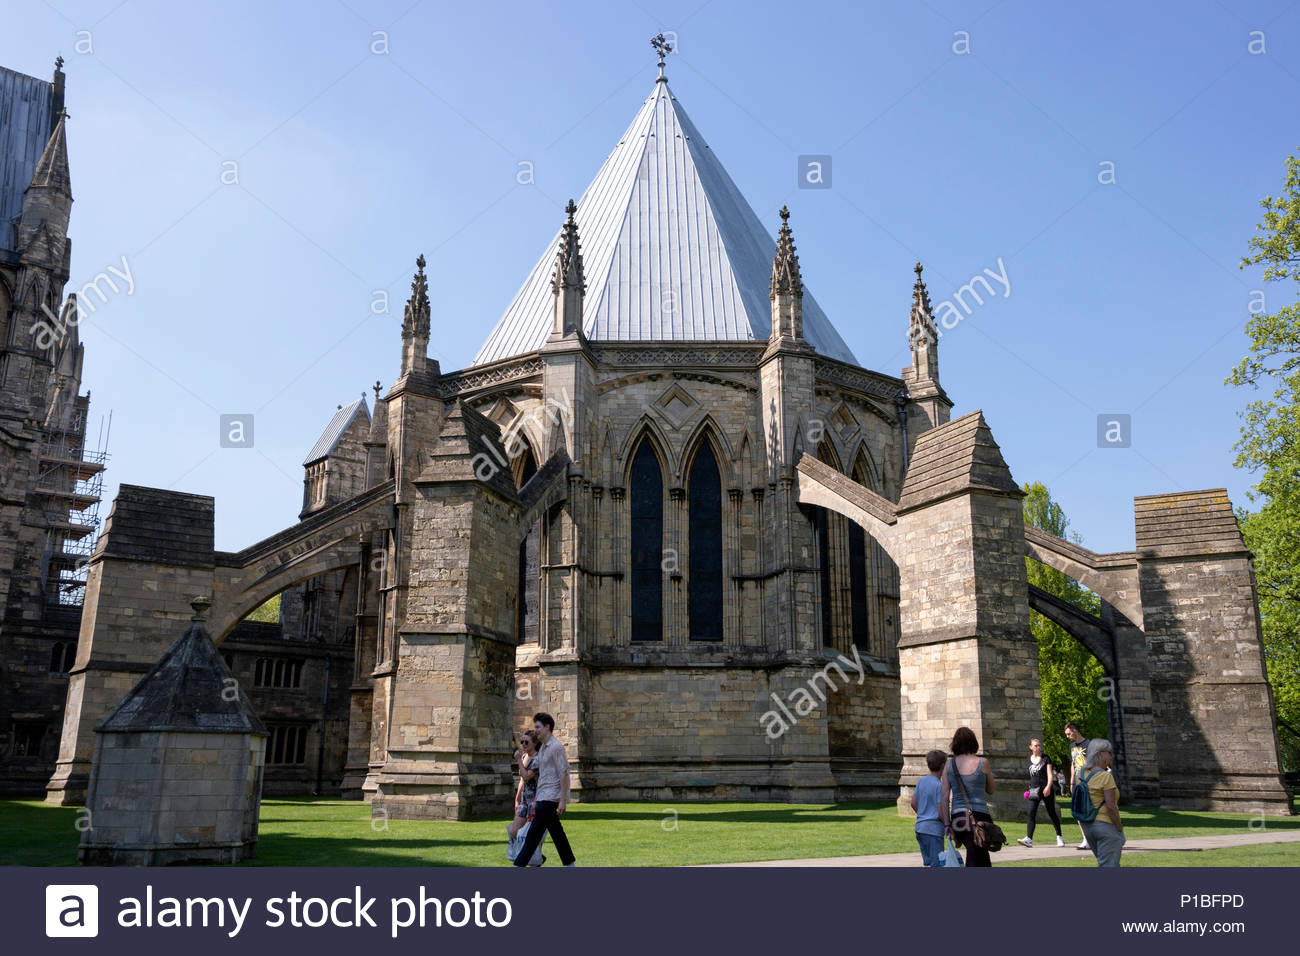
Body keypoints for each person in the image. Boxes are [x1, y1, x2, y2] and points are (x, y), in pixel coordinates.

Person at [511, 712, 577, 868]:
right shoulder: (543, 750)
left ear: (547, 727)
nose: (536, 730)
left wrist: (562, 800)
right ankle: (570, 864)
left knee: (533, 835)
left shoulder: (556, 748)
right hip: (542, 798)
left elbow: (564, 774)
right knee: (556, 833)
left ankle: (518, 865)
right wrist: (536, 800)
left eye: (538, 727)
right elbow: (538, 777)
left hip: (550, 799)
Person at [939, 726, 997, 867]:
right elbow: (991, 790)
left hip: (958, 817)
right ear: (973, 742)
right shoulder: (983, 762)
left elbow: (945, 797)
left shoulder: (949, 764)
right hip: (980, 816)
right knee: (976, 855)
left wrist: (947, 824)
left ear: (955, 744)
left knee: (979, 855)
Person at [1077, 738, 1125, 867]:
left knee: (1106, 863)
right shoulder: (1105, 776)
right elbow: (1111, 807)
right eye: (1110, 753)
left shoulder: (1081, 774)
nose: (1112, 756)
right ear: (1099, 754)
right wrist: (1119, 827)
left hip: (1088, 827)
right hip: (1106, 826)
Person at [1016, 738, 1064, 847]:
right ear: (1031, 747)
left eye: (1039, 745)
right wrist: (1029, 788)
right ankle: (1029, 839)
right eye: (1035, 745)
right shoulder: (1028, 760)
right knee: (1031, 812)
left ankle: (1059, 836)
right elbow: (1031, 776)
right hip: (1034, 790)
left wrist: (1048, 787)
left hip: (1046, 789)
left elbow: (1050, 775)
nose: (1038, 747)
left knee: (1051, 812)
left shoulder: (1046, 758)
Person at [909, 749, 947, 867]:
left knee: (929, 863)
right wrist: (948, 824)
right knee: (937, 865)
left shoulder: (922, 781)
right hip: (933, 830)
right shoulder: (939, 785)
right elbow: (941, 813)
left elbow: (913, 803)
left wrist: (924, 814)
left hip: (920, 828)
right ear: (943, 766)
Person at [1064, 721, 1092, 849]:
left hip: (1088, 781)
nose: (1068, 736)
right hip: (1076, 781)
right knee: (1077, 811)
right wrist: (1071, 781)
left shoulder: (1089, 744)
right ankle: (1085, 838)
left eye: (1069, 734)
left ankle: (1093, 837)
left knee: (1089, 810)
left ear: (1075, 730)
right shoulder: (1071, 746)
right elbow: (1073, 764)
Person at [507, 730, 538, 840]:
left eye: (526, 742)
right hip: (524, 801)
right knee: (514, 831)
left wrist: (519, 761)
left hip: (535, 801)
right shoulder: (525, 756)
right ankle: (527, 855)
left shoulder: (537, 759)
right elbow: (522, 780)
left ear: (534, 743)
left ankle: (533, 856)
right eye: (522, 742)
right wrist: (517, 799)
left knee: (531, 835)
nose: (523, 744)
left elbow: (526, 776)